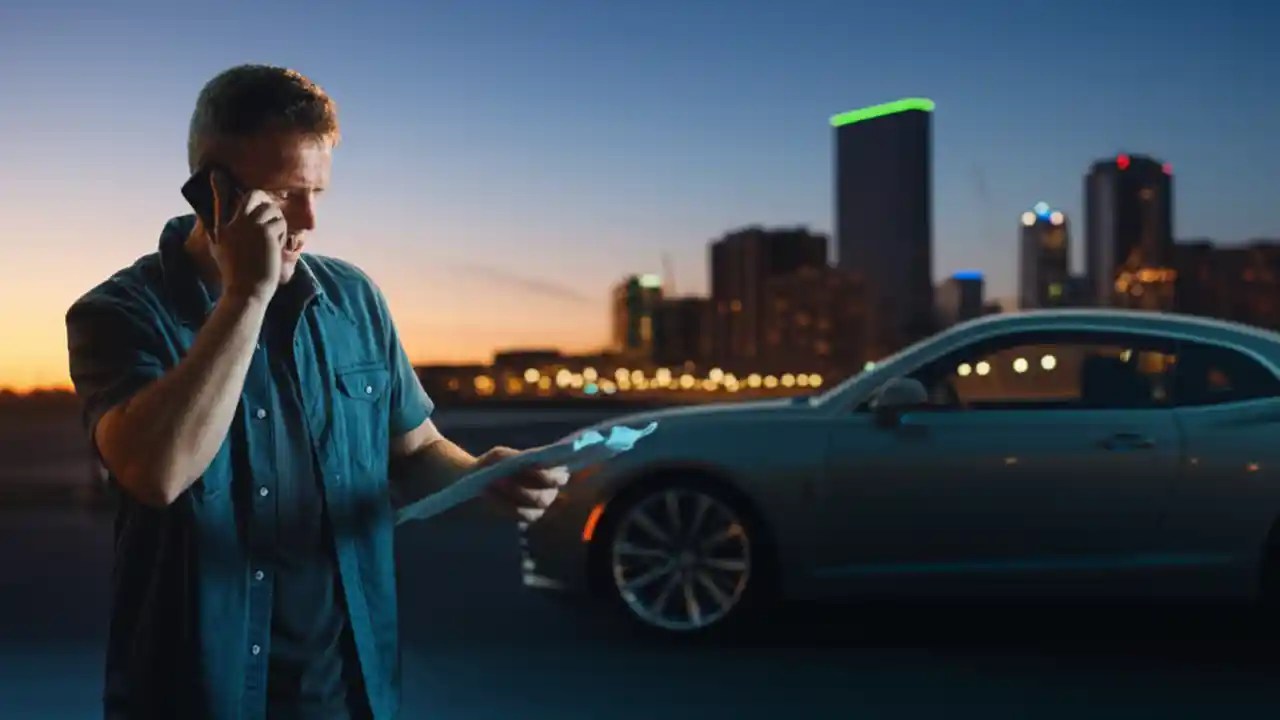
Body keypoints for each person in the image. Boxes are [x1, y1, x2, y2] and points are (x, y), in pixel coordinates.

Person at [64, 64, 564, 720]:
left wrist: (478, 477)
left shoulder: (353, 299)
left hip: (344, 694)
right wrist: (246, 295)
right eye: (284, 194)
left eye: (318, 193)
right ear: (213, 193)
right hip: (194, 695)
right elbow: (155, 473)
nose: (308, 219)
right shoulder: (118, 314)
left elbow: (415, 450)